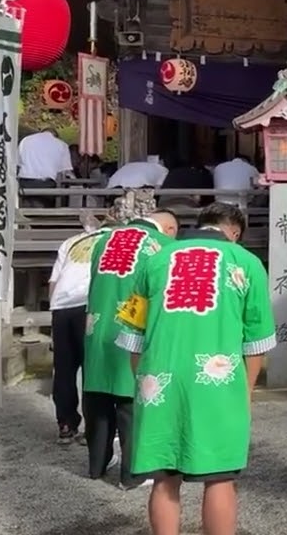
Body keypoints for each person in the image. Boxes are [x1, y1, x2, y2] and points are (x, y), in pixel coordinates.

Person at [115, 203, 275, 535]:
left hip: (158, 381)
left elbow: (132, 338)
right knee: (219, 477)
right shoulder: (246, 262)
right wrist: (245, 392)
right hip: (219, 383)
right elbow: (256, 342)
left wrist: (144, 383)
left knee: (164, 477)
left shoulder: (154, 260)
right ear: (234, 232)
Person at [82, 206, 178, 489]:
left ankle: (96, 466)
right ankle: (133, 474)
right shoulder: (162, 245)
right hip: (134, 330)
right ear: (169, 230)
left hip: (97, 325)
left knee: (98, 399)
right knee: (131, 402)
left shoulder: (104, 239)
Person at [49, 215, 111, 445]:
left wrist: (53, 309)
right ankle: (93, 428)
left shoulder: (72, 241)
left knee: (64, 368)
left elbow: (54, 281)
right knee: (92, 367)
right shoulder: (114, 240)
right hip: (90, 303)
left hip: (61, 306)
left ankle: (66, 424)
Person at [18, 128, 74, 206]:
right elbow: (65, 171)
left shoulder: (26, 140)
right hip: (47, 184)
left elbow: (18, 163)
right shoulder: (62, 145)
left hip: (25, 182)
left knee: (26, 205)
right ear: (56, 136)